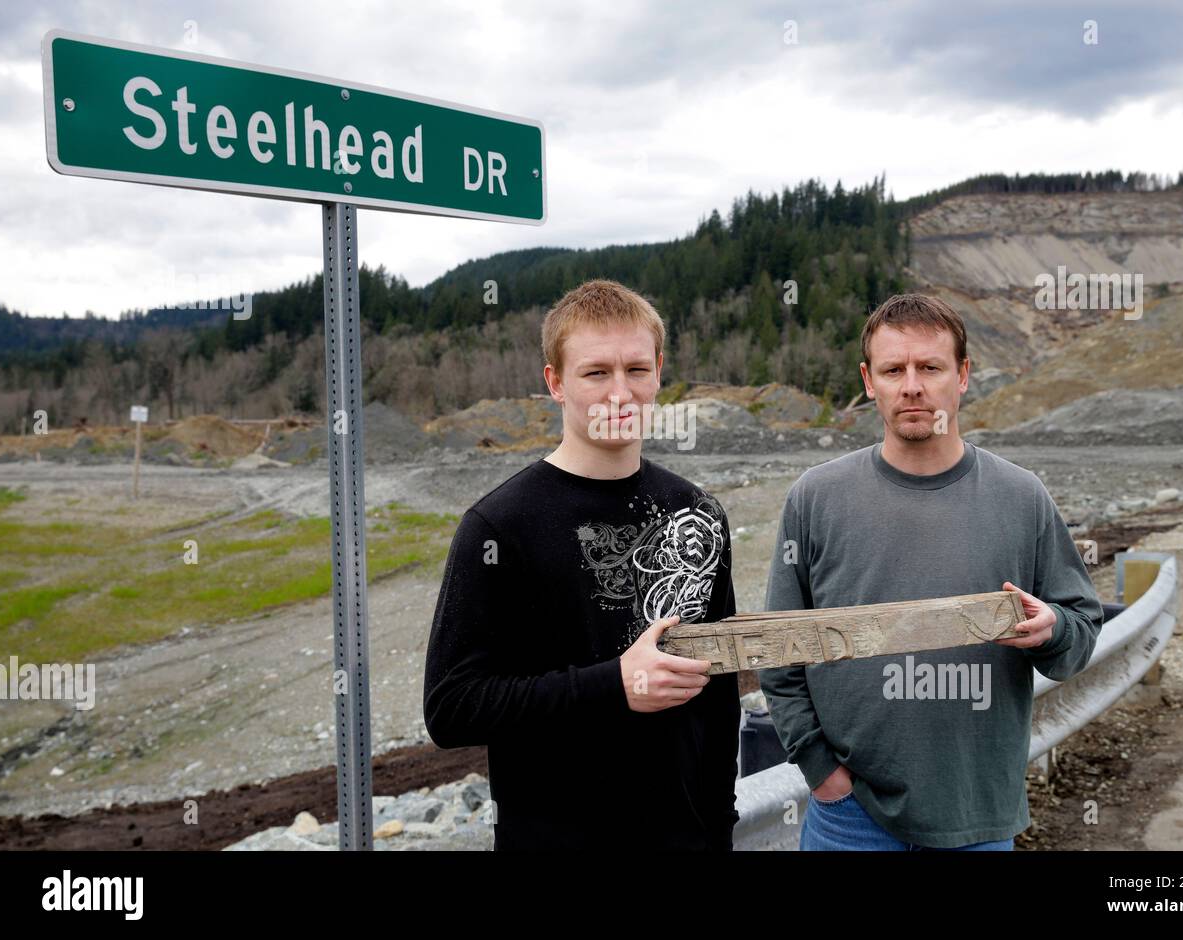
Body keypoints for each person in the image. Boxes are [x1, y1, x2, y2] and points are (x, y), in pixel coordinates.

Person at [759, 292, 1103, 851]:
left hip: (979, 814)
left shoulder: (1022, 498)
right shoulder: (815, 499)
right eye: (894, 369)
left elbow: (1079, 635)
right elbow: (778, 650)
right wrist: (823, 774)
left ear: (963, 375)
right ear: (869, 381)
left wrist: (1054, 628)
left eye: (931, 367)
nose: (912, 385)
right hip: (851, 818)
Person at [423, 278, 741, 851]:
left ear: (659, 372)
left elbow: (719, 700)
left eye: (636, 370)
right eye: (596, 373)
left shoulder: (698, 513)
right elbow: (451, 708)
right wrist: (613, 685)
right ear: (555, 383)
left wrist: (720, 824)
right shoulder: (499, 528)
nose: (620, 393)